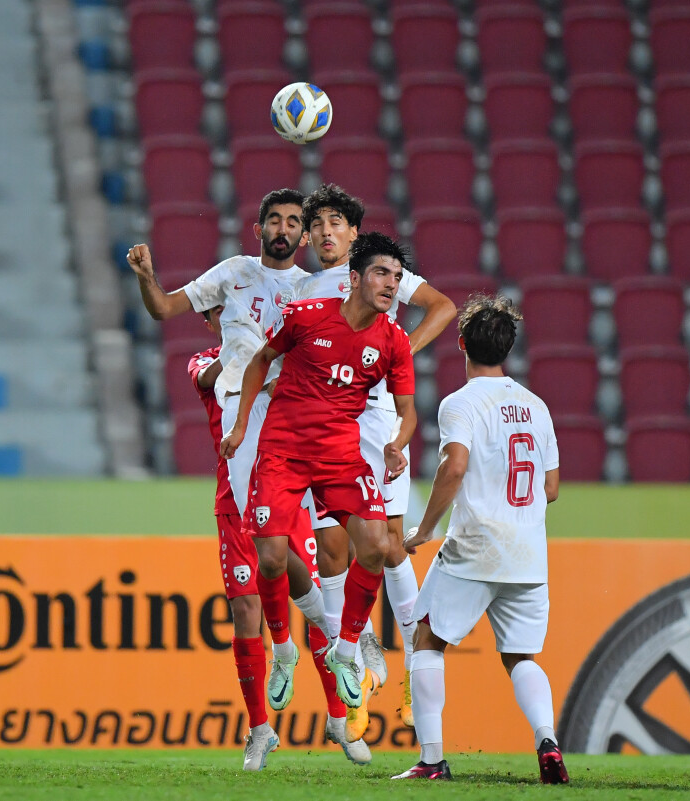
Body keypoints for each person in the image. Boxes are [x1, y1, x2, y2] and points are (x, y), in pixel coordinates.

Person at [128, 189, 359, 769]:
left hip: (289, 443)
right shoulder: (228, 288)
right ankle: (266, 719)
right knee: (255, 587)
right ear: (257, 229)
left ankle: (337, 708)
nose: (282, 229)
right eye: (273, 220)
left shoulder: (313, 292)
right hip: (241, 453)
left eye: (292, 222)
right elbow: (163, 311)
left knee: (288, 558)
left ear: (304, 237)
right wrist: (147, 277)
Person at [220, 232, 418, 723]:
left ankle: (346, 649)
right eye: (380, 273)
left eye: (396, 277)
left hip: (339, 457)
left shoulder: (393, 341)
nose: (390, 284)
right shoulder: (307, 318)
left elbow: (410, 411)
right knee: (270, 558)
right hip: (282, 450)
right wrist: (243, 423)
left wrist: (396, 444)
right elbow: (262, 360)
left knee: (374, 545)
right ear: (354, 279)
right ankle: (284, 652)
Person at [296, 184, 457, 740]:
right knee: (332, 549)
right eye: (315, 224)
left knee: (388, 544)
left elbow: (444, 306)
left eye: (335, 222)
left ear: (353, 233)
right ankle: (356, 674)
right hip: (324, 430)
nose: (324, 232)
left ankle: (414, 665)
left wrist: (396, 353)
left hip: (379, 424)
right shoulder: (302, 289)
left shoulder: (376, 272)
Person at [394, 294, 568, 784]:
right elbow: (550, 489)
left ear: (461, 343)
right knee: (520, 657)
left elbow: (455, 467)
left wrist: (424, 530)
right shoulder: (536, 406)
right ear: (508, 348)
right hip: (528, 554)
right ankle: (548, 743)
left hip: (473, 547)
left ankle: (431, 762)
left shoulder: (460, 403)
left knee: (426, 639)